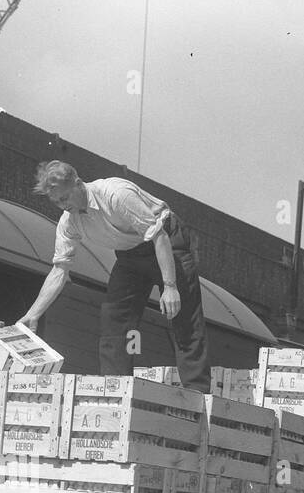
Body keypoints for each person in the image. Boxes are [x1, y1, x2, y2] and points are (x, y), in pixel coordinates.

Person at [18, 161, 207, 390]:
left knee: (183, 316)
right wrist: (33, 313)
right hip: (130, 254)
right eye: (56, 201)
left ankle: (198, 395)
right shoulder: (69, 222)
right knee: (114, 316)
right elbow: (59, 269)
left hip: (167, 240)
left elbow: (159, 237)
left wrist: (170, 286)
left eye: (65, 198)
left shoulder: (116, 195)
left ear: (78, 184)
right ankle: (115, 390)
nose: (62, 206)